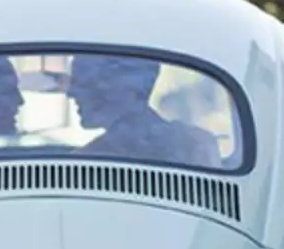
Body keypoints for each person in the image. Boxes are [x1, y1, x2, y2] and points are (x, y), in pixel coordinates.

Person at [67, 53, 222, 169]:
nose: (71, 92)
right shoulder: (198, 143)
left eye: (83, 83)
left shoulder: (86, 162)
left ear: (122, 88)